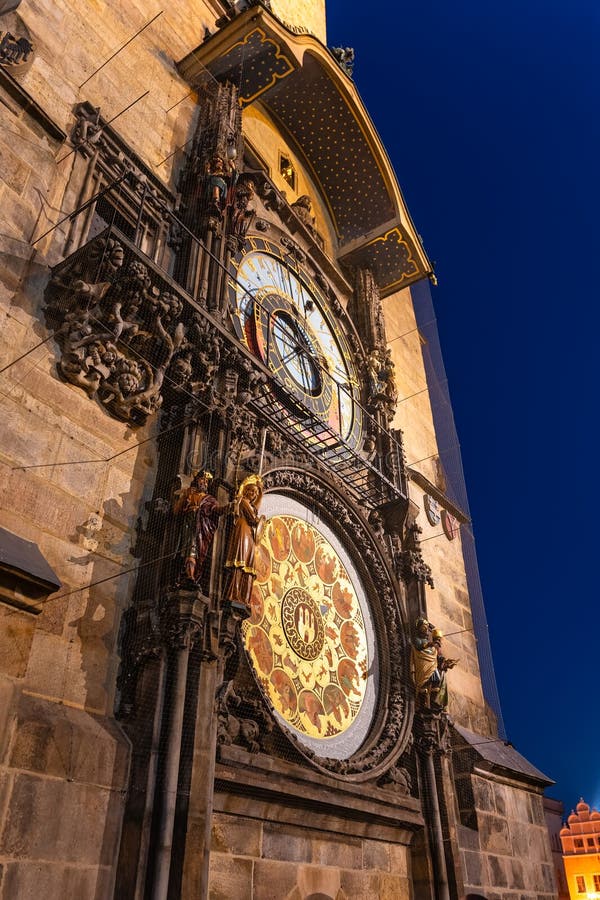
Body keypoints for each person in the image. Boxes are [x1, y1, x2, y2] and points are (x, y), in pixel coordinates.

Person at [173, 471, 225, 583]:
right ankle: (189, 576)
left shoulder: (210, 499)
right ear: (197, 480)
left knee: (198, 554)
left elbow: (217, 510)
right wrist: (185, 496)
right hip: (189, 526)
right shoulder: (189, 495)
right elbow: (176, 511)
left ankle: (192, 576)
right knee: (190, 550)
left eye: (206, 481)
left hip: (202, 529)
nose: (204, 483)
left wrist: (228, 507)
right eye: (202, 479)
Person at [224, 474, 265, 613]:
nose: (253, 494)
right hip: (243, 531)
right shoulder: (243, 502)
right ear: (246, 490)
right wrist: (260, 520)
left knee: (248, 567)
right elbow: (253, 519)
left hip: (250, 535)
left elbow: (255, 517)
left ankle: (244, 597)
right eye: (252, 491)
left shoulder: (252, 506)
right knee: (240, 563)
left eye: (255, 493)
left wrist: (260, 494)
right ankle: (234, 593)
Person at [411, 618, 456, 709]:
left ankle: (433, 702)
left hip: (432, 664)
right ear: (419, 629)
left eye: (427, 628)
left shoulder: (430, 643)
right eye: (424, 628)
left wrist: (445, 662)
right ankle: (423, 704)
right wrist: (430, 644)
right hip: (423, 663)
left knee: (437, 680)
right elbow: (419, 646)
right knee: (424, 682)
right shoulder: (418, 639)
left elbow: (435, 655)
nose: (426, 630)